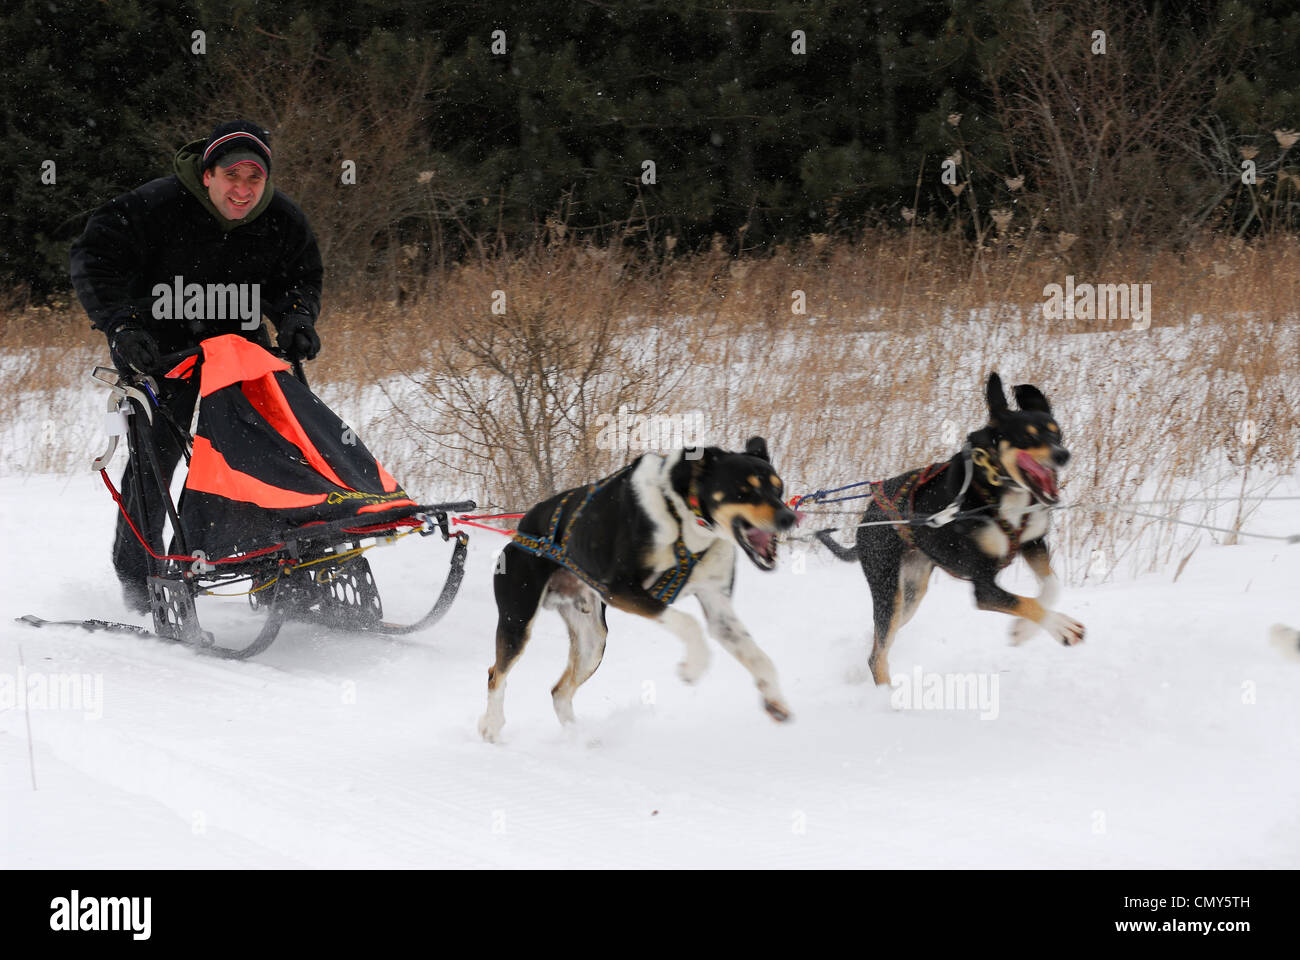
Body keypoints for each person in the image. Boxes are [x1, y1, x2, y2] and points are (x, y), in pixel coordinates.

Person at [70, 120, 324, 614]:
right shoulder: (153, 206)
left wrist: (296, 318)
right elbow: (94, 257)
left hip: (239, 355)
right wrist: (120, 326)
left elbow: (300, 277)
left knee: (259, 456)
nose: (243, 190)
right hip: (162, 354)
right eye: (233, 177)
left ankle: (268, 566)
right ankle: (139, 575)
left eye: (255, 180)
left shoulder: (281, 219)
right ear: (208, 175)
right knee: (153, 462)